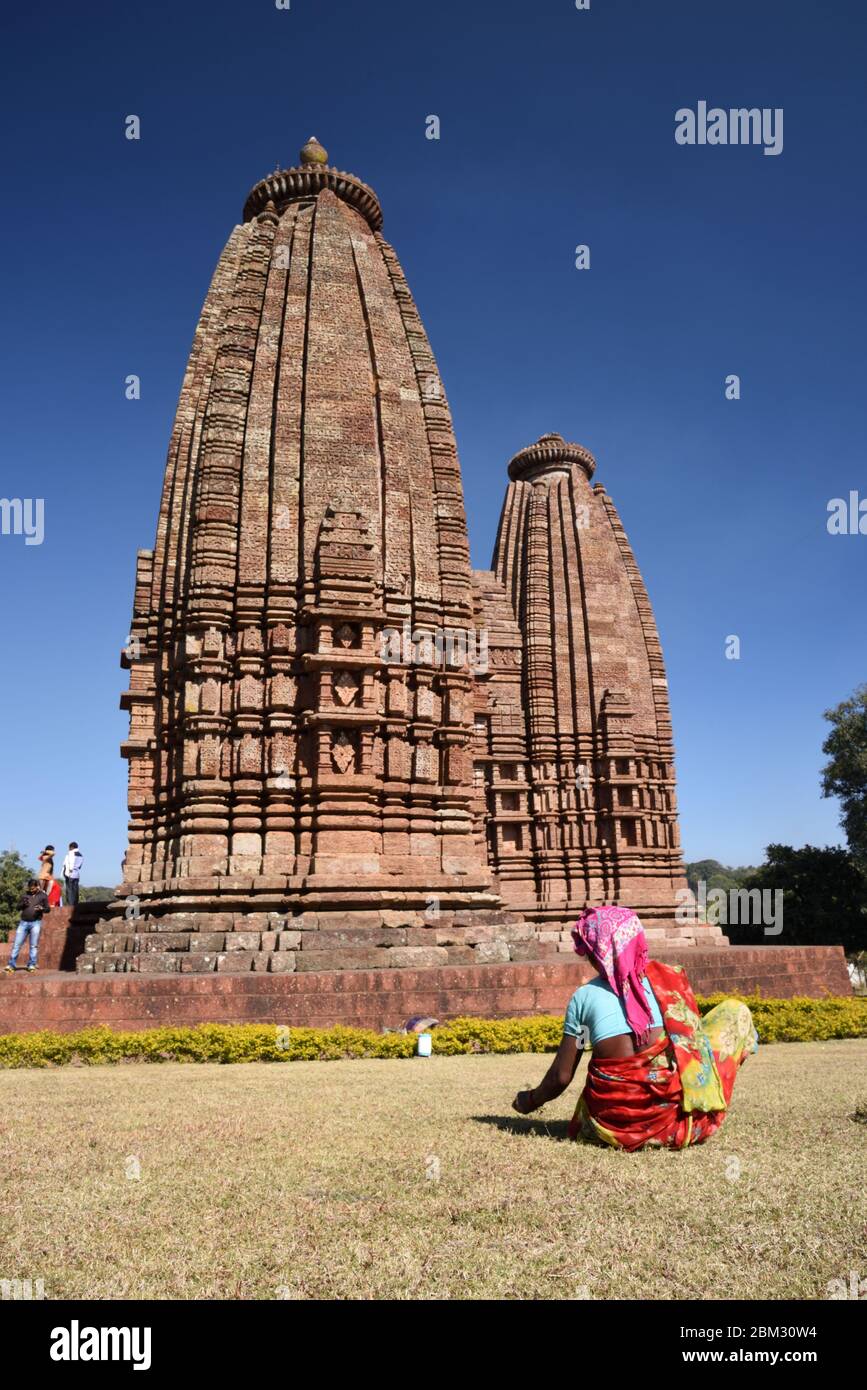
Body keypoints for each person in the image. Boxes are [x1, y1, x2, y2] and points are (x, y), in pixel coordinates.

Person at [512, 905, 757, 1151]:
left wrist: (529, 1100)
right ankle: (697, 1101)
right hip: (677, 1128)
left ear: (594, 950)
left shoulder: (583, 998)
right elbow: (693, 1046)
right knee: (735, 1012)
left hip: (607, 1130)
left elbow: (560, 1077)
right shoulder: (666, 984)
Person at [4, 880, 51, 974]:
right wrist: (23, 904)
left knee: (33, 945)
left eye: (33, 888)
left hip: (36, 923)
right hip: (23, 923)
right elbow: (18, 907)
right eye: (30, 888)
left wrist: (42, 909)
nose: (31, 890)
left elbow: (48, 909)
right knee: (17, 944)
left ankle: (31, 964)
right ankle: (11, 964)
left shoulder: (43, 896)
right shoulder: (25, 895)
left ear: (38, 886)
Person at [62, 842, 83, 907]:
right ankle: (75, 904)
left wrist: (66, 872)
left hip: (70, 874)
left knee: (69, 890)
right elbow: (80, 866)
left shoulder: (71, 853)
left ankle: (70, 905)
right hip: (76, 875)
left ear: (71, 847)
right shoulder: (80, 855)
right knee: (75, 890)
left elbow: (67, 864)